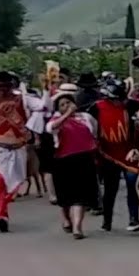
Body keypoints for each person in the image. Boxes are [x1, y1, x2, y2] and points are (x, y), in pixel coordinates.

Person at [0, 72, 48, 232]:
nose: (2, 91)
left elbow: (43, 107)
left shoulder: (23, 98)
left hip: (17, 147)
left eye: (6, 87)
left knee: (11, 185)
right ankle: (1, 215)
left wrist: (47, 90)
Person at [89, 81, 139, 232]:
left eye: (122, 98)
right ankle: (107, 221)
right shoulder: (96, 107)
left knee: (133, 185)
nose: (121, 102)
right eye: (117, 99)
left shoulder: (133, 105)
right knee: (110, 188)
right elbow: (87, 123)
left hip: (131, 152)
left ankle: (134, 219)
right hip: (108, 154)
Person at [47, 84, 100, 239]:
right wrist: (66, 115)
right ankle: (66, 217)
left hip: (84, 159)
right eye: (62, 105)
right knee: (65, 197)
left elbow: (94, 132)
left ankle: (78, 227)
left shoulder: (86, 118)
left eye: (68, 103)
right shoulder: (55, 121)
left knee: (81, 196)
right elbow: (51, 129)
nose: (66, 106)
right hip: (64, 162)